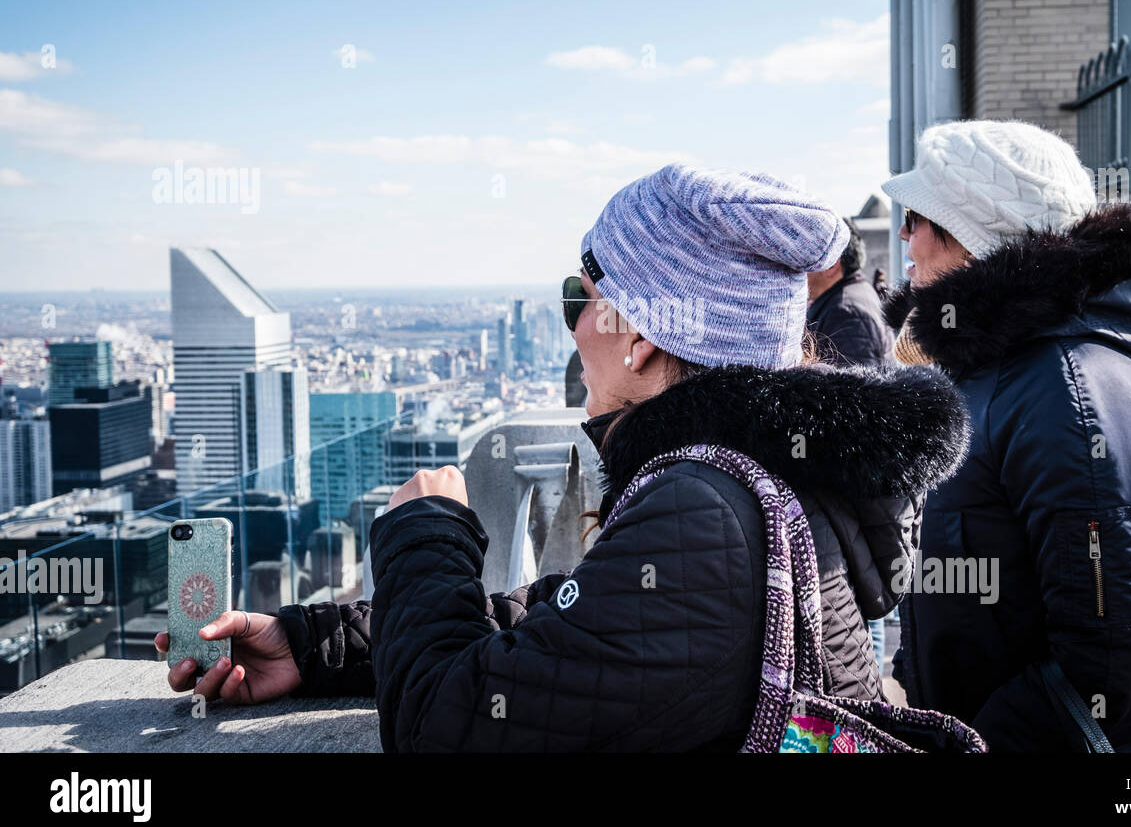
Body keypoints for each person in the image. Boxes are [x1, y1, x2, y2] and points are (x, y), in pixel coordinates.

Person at [155, 163, 970, 751]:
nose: (572, 326)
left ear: (643, 334)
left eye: (580, 297)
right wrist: (310, 644)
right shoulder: (763, 477)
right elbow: (579, 627)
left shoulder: (708, 511)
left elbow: (447, 726)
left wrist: (427, 528)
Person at [881, 119, 1131, 752]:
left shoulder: (1066, 390)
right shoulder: (1004, 367)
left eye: (918, 216)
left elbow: (1108, 658)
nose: (904, 235)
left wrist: (975, 742)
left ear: (974, 231)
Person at [805, 219, 896, 672]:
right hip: (856, 496)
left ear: (834, 261)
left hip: (855, 498)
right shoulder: (843, 303)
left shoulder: (848, 312)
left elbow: (848, 413)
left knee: (861, 613)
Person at [806, 218, 894, 368]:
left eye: (807, 257)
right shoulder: (853, 295)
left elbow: (854, 388)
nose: (798, 267)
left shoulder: (845, 313)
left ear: (832, 264)